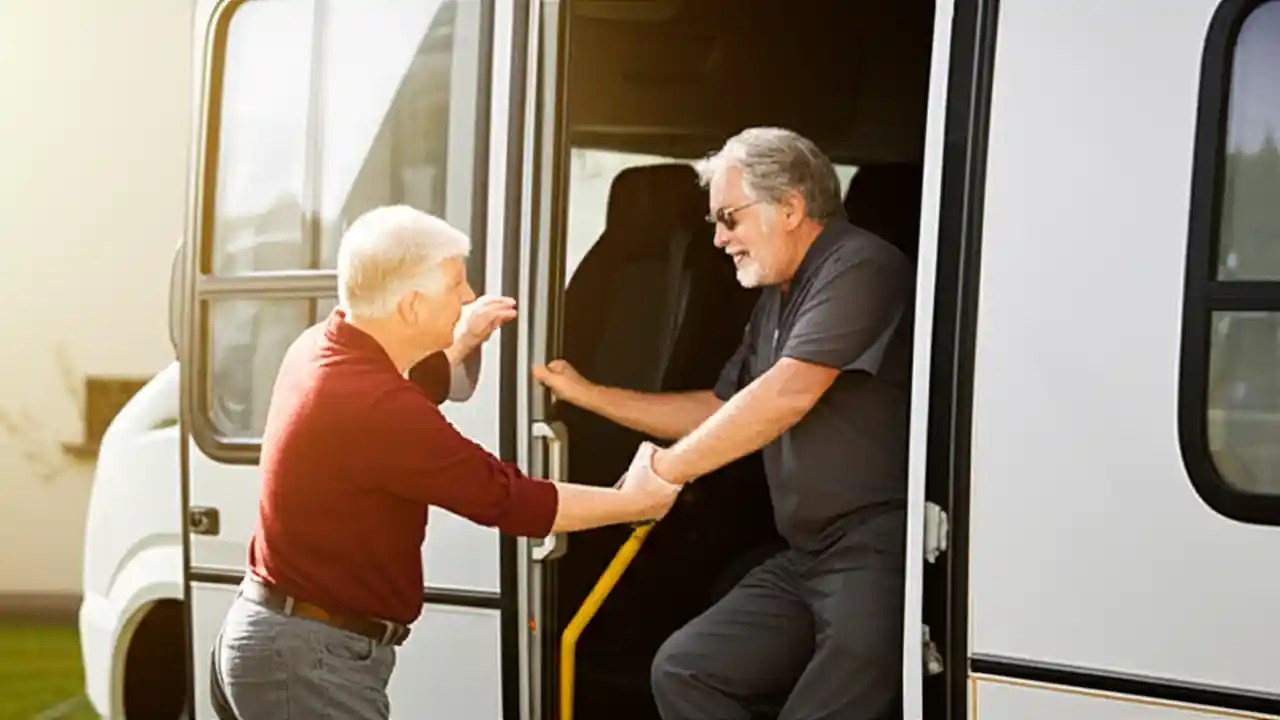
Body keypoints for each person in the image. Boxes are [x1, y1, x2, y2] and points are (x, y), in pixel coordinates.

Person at [211, 205, 680, 720]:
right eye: (456, 284)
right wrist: (635, 500)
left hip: (291, 645)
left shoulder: (324, 347)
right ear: (410, 306)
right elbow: (509, 498)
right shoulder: (375, 408)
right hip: (309, 660)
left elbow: (397, 397)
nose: (469, 297)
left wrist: (462, 342)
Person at [533, 127, 914, 719]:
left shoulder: (861, 267)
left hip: (874, 552)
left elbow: (786, 396)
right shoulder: (776, 298)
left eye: (729, 219)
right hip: (806, 555)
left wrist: (660, 474)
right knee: (688, 671)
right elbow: (719, 407)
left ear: (790, 206)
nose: (718, 239)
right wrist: (588, 395)